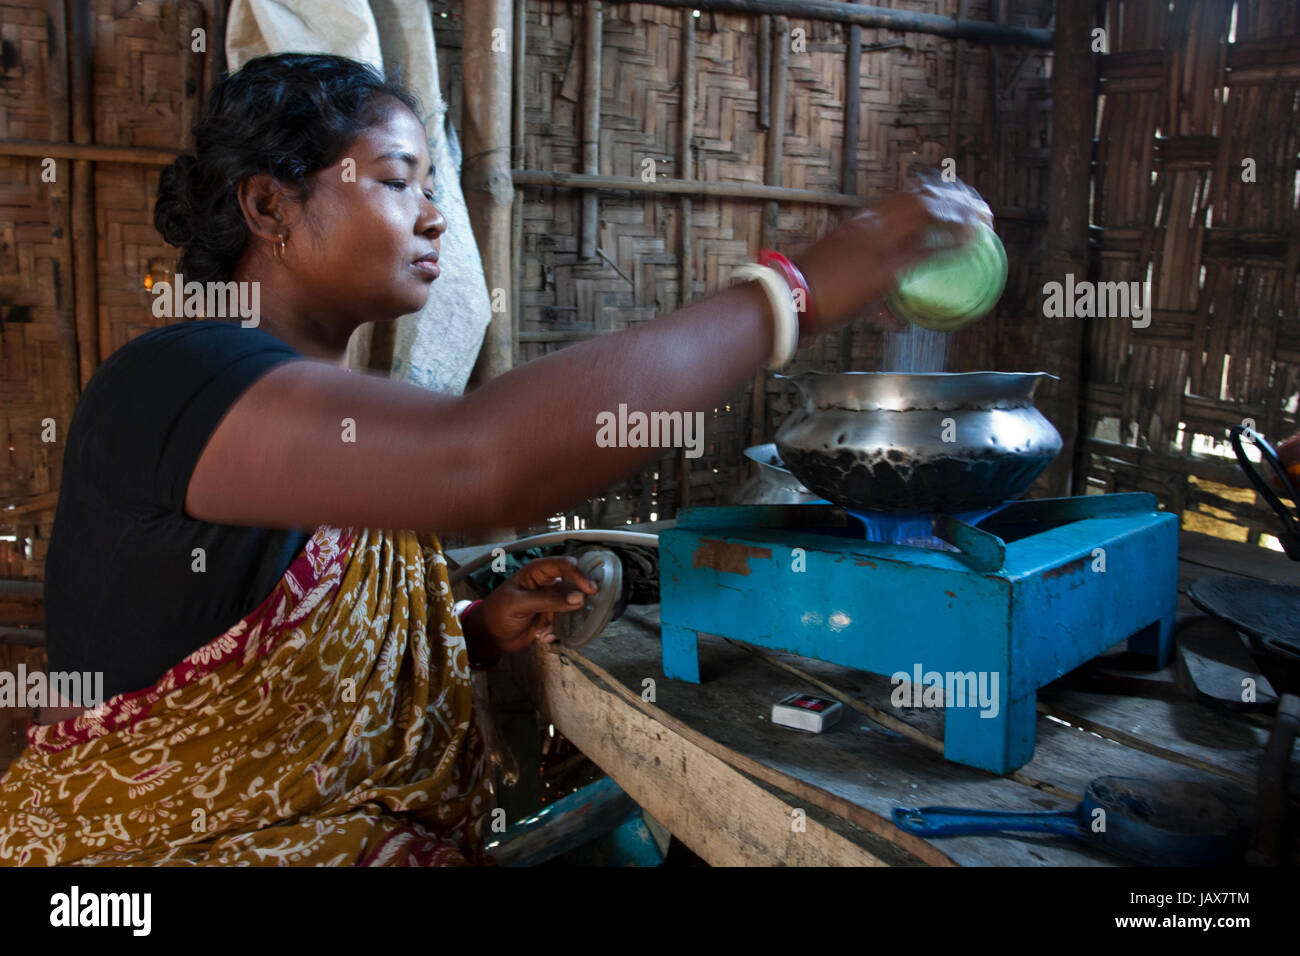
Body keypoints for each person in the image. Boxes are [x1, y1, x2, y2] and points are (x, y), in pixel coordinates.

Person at [0, 53, 991, 866]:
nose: (433, 215)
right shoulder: (175, 374)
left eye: (431, 187)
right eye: (395, 181)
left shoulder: (329, 420)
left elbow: (289, 652)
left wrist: (472, 628)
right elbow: (481, 462)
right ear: (268, 206)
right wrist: (801, 287)